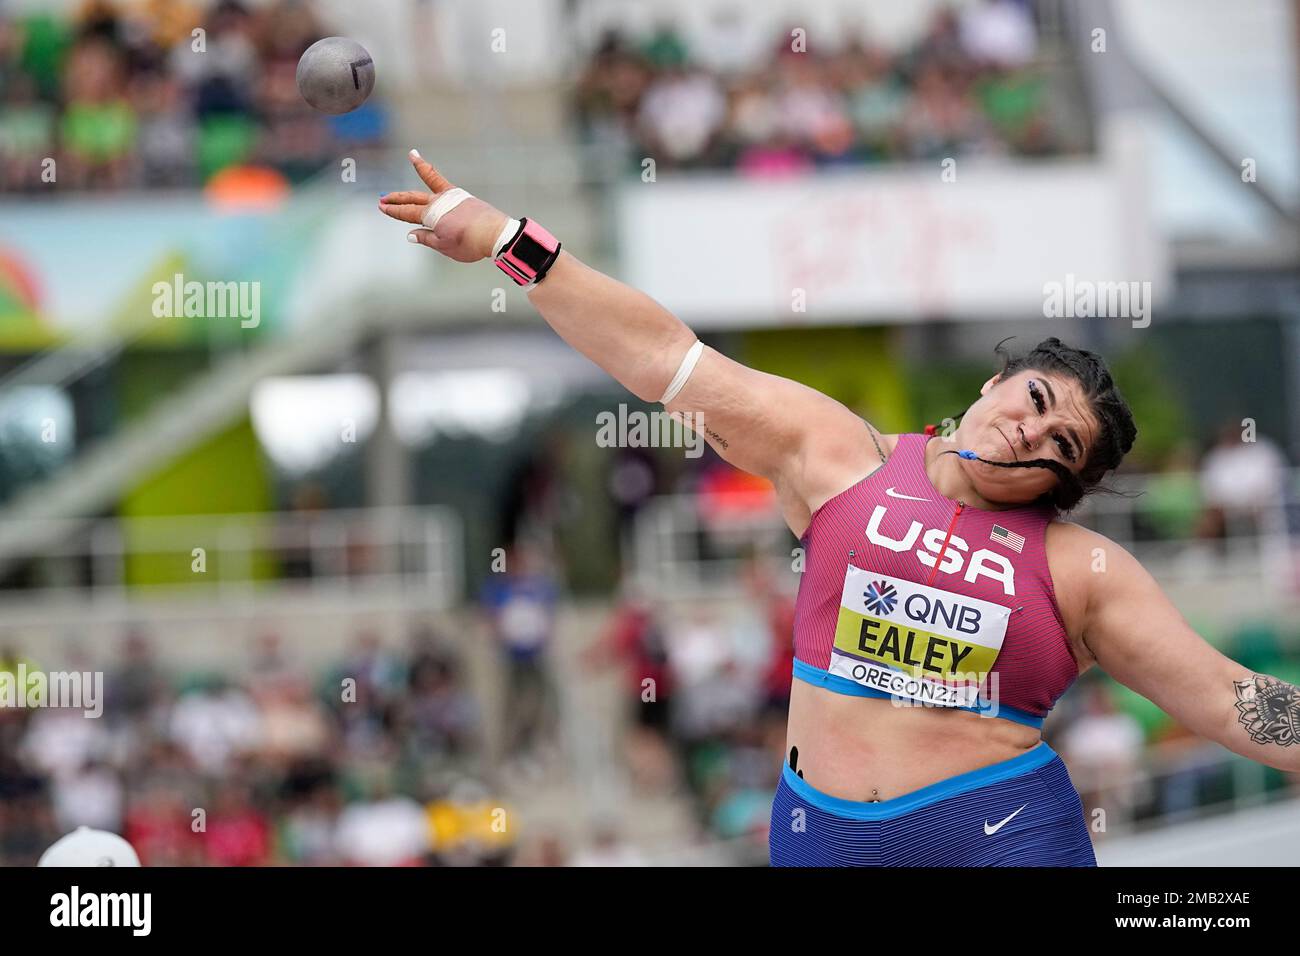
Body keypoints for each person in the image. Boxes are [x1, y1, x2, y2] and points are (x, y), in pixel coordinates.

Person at [378, 150, 1300, 867]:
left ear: (1066, 485)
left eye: (1062, 446)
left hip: (997, 833)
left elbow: (1233, 700)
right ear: (993, 384)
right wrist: (509, 240)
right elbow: (661, 358)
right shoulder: (835, 456)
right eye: (1034, 401)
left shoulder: (1081, 573)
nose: (1032, 433)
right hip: (817, 837)